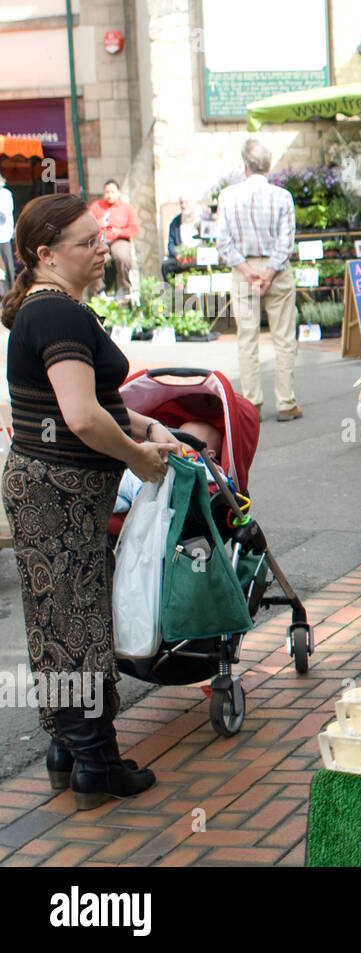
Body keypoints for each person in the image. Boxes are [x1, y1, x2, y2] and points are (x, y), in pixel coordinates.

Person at [1, 194, 183, 809]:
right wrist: (139, 458)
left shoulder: (50, 306)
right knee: (76, 617)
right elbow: (80, 417)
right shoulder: (55, 314)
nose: (103, 250)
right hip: (57, 488)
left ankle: (69, 747)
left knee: (60, 614)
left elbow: (84, 404)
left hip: (47, 485)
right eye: (88, 243)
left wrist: (144, 427)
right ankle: (95, 762)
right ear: (46, 255)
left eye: (102, 238)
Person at [215, 140, 301, 422]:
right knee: (284, 337)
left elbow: (223, 241)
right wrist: (270, 272)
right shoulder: (282, 196)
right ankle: (286, 402)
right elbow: (286, 240)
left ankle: (252, 403)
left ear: (245, 165)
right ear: (269, 164)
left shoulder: (228, 195)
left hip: (243, 268)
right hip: (276, 270)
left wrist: (248, 270)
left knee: (247, 338)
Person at [87, 179, 140, 298]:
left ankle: (124, 287)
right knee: (96, 258)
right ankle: (99, 291)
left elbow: (135, 229)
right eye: (106, 192)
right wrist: (97, 224)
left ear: (118, 192)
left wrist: (121, 231)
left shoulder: (127, 208)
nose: (109, 195)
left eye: (112, 192)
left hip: (120, 239)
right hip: (101, 239)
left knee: (121, 256)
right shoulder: (96, 206)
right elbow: (87, 225)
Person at [161, 194, 201, 281]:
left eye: (186, 202)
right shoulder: (176, 222)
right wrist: (178, 255)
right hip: (182, 259)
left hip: (201, 258)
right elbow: (171, 245)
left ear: (194, 202)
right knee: (166, 266)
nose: (183, 205)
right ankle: (176, 293)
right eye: (181, 203)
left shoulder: (203, 218)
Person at [0, 175, 14, 294]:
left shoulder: (5, 194)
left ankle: (10, 292)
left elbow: (4, 215)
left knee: (7, 266)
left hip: (4, 236)